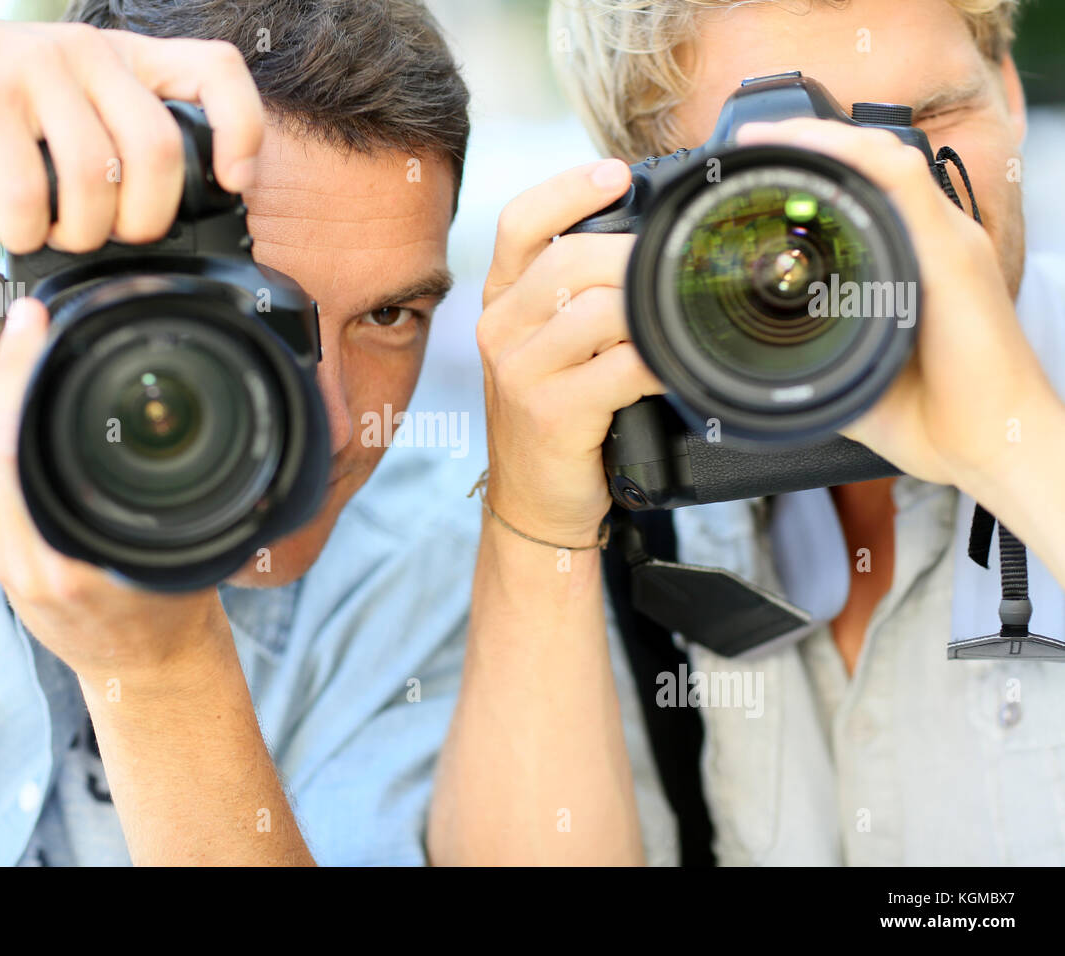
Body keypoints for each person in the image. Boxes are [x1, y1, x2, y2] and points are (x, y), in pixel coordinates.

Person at [0, 0, 474, 865]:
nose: (328, 422)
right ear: (71, 255)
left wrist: (161, 680)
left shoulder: (414, 589)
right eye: (251, 319)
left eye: (391, 314)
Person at [431, 0, 1065, 865]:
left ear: (1007, 92)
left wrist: (1015, 443)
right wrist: (537, 530)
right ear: (646, 206)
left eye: (919, 123)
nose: (885, 207)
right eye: (782, 180)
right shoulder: (631, 473)